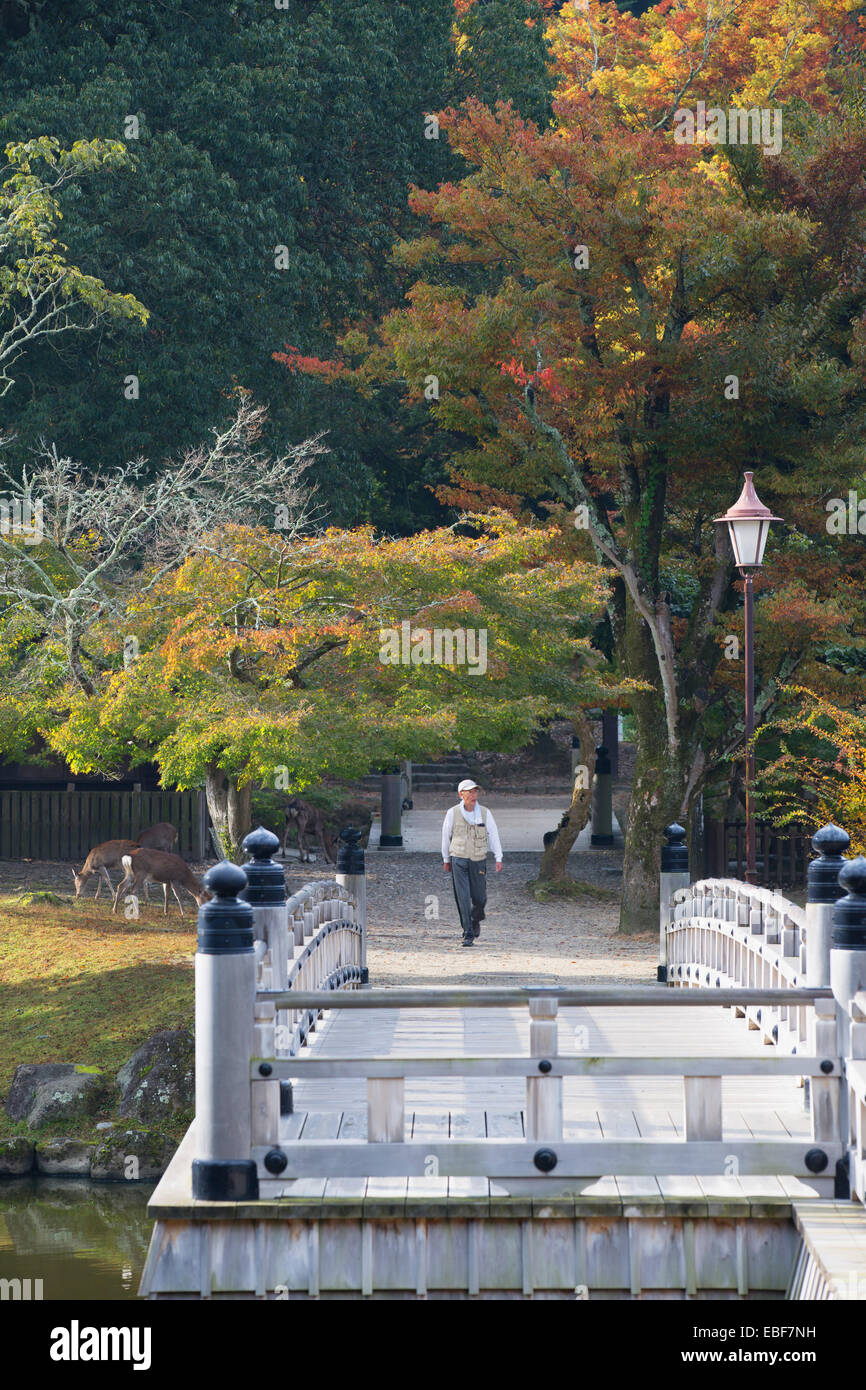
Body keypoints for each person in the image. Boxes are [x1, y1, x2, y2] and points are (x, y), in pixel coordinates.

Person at [441, 779, 503, 947]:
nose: (473, 795)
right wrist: (446, 859)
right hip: (458, 858)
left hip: (478, 859)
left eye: (475, 792)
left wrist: (499, 857)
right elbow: (446, 837)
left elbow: (493, 834)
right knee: (462, 897)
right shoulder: (452, 813)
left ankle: (476, 918)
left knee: (480, 898)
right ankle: (467, 933)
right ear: (461, 794)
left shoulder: (485, 813)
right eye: (470, 792)